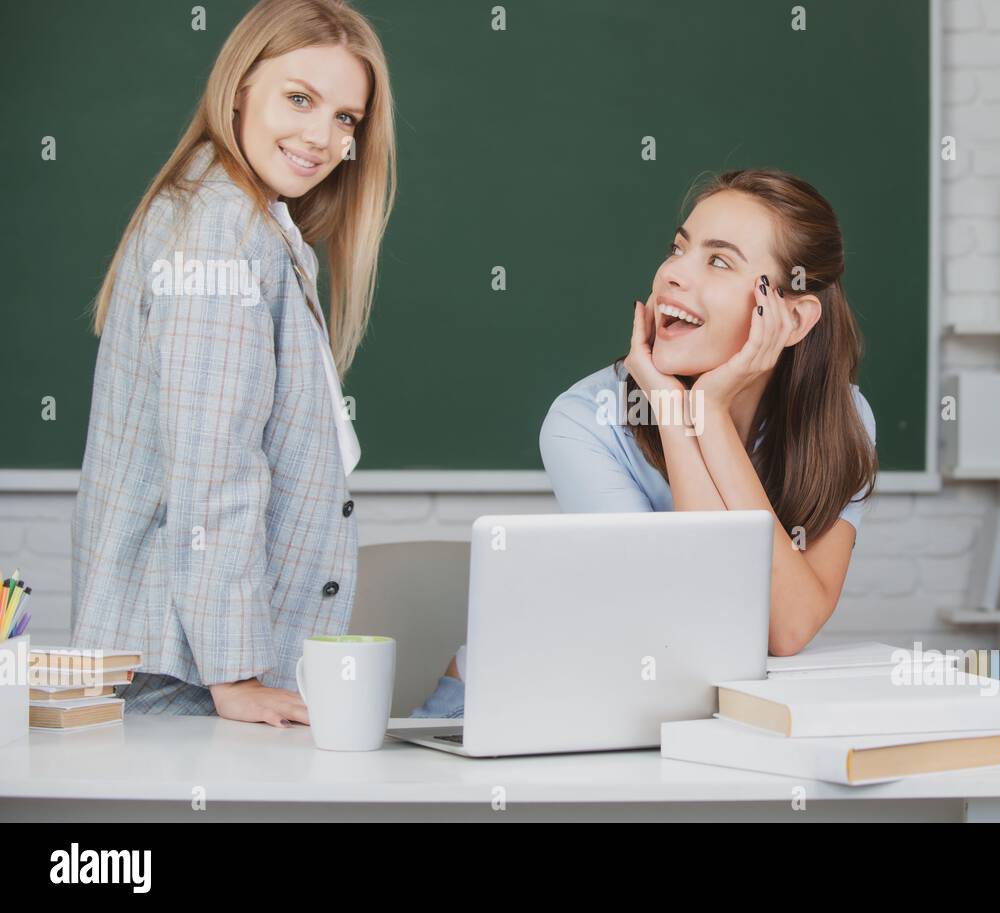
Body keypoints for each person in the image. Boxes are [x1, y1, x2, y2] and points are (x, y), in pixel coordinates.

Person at [413, 168, 878, 719]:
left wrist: (708, 412)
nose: (672, 275)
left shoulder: (843, 418)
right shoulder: (584, 421)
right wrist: (676, 415)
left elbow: (790, 628)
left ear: (792, 317)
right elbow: (690, 628)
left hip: (677, 715)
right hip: (503, 712)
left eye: (719, 260)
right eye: (678, 249)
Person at [71, 0, 396, 727]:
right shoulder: (222, 230)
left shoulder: (240, 216)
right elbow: (214, 466)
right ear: (240, 86)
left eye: (347, 118)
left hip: (191, 669)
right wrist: (235, 672)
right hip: (189, 676)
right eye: (301, 98)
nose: (323, 136)